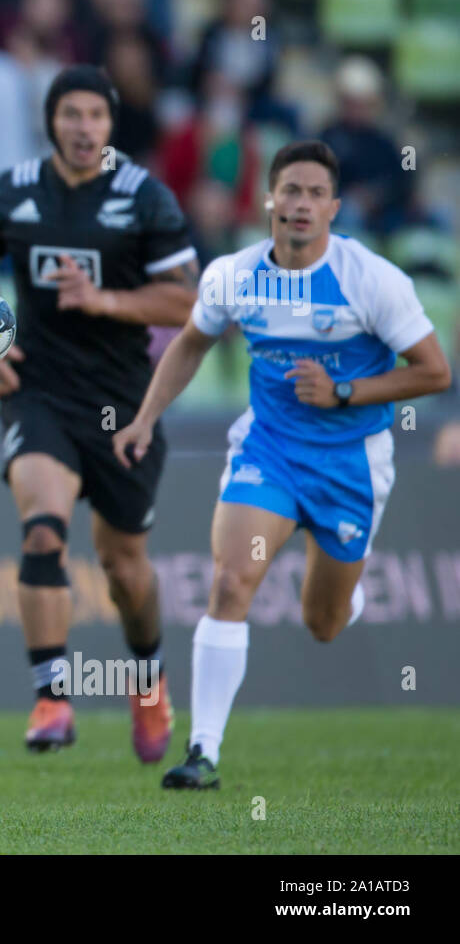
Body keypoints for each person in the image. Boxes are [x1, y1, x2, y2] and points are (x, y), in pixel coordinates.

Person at [112, 141, 452, 788]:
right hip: (268, 450)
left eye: (314, 194)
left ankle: (341, 592)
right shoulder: (234, 276)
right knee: (231, 581)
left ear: (333, 208)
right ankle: (203, 753)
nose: (300, 204)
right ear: (270, 199)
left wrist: (345, 392)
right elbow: (190, 345)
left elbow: (434, 371)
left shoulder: (372, 280)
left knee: (322, 624)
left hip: (351, 462)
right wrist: (145, 418)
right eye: (289, 190)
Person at [0, 65, 197, 761]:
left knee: (124, 565)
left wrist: (106, 301)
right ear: (50, 121)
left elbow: (187, 302)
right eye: (71, 115)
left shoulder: (144, 198)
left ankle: (147, 679)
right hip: (40, 391)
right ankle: (52, 698)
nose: (84, 128)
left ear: (111, 125)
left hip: (126, 403)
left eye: (96, 115)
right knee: (42, 532)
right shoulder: (12, 192)